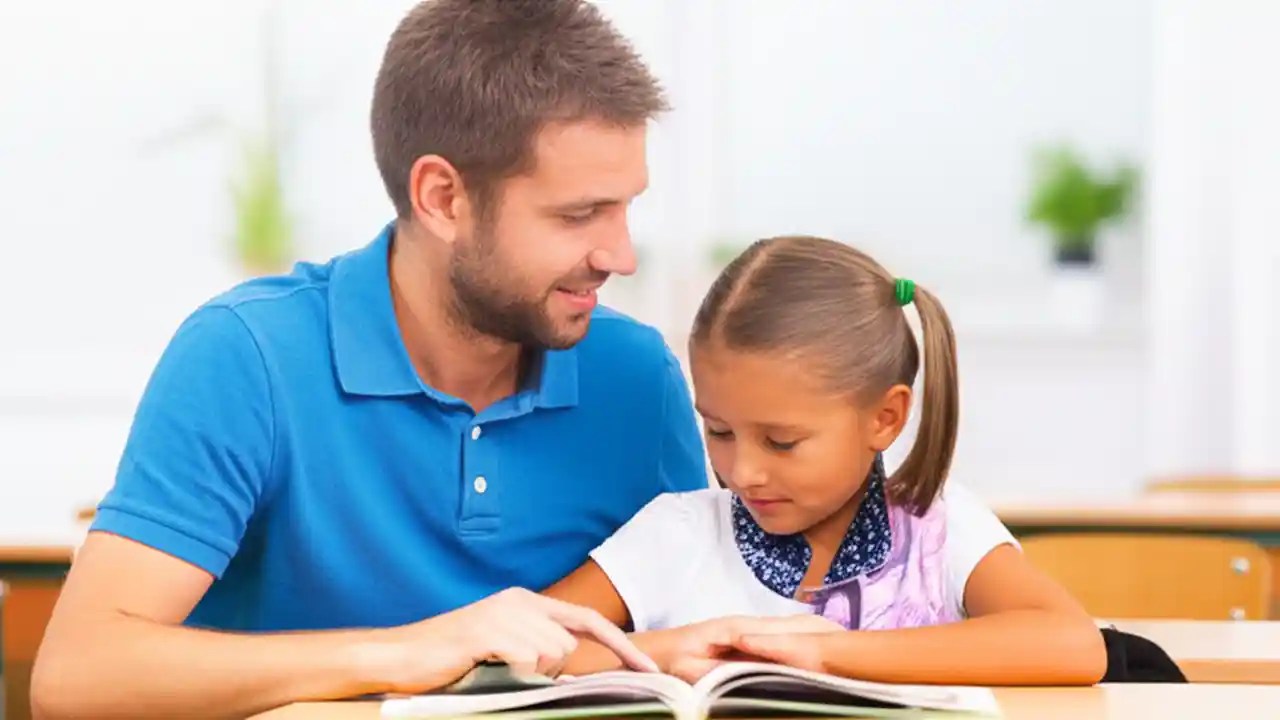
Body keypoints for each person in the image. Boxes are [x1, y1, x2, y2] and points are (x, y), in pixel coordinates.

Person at [32, 1, 707, 717]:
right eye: (577, 215)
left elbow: (695, 644)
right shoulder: (248, 356)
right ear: (443, 198)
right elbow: (77, 678)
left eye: (626, 208)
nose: (620, 257)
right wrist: (408, 651)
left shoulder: (637, 379)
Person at [547, 235, 1107, 685]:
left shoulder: (939, 528)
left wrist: (825, 653)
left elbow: (1074, 645)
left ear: (884, 418)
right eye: (718, 430)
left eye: (782, 442)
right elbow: (522, 648)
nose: (742, 472)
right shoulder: (677, 533)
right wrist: (669, 649)